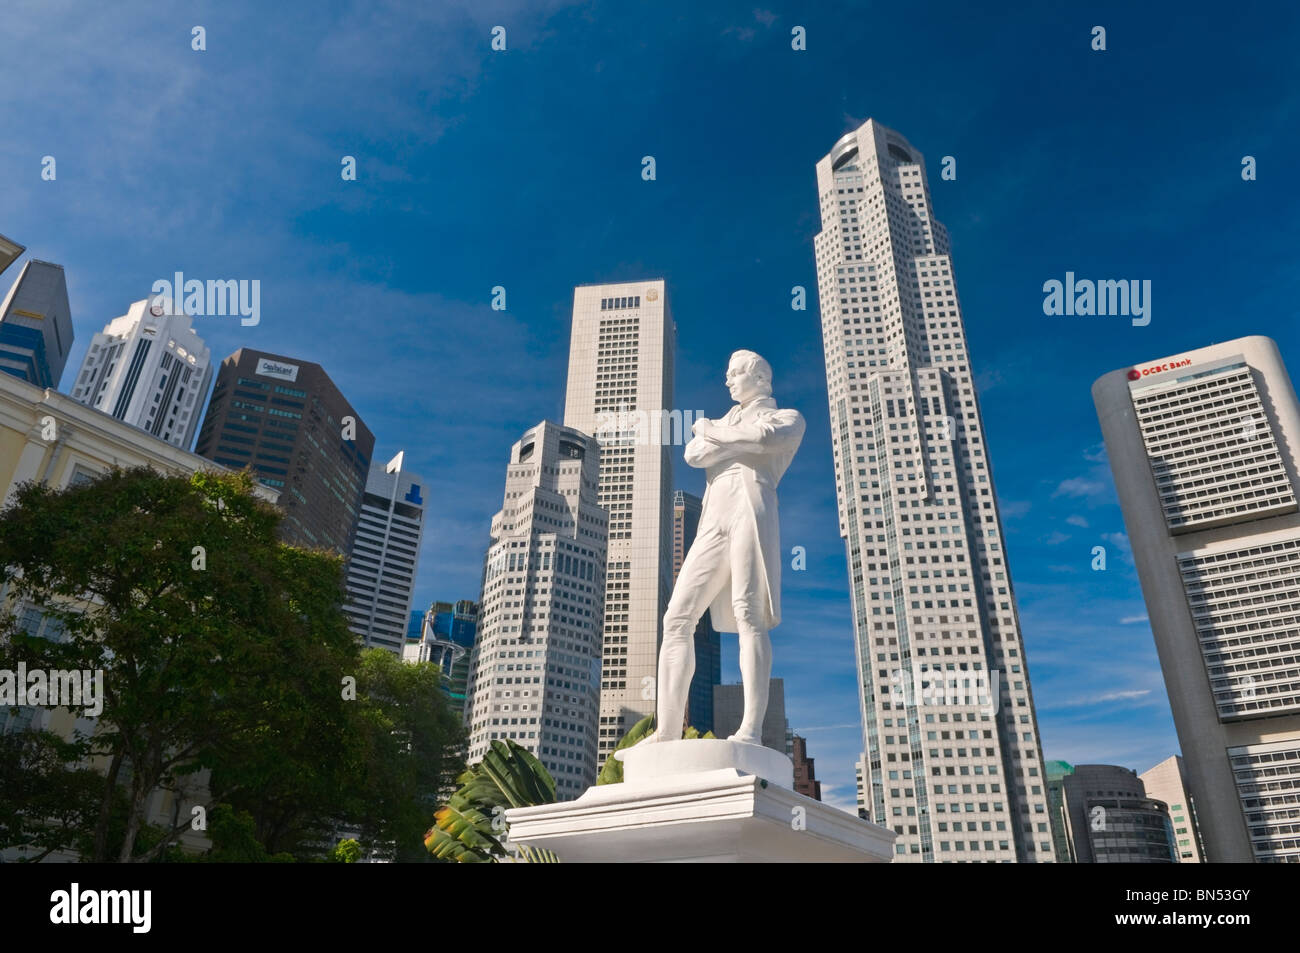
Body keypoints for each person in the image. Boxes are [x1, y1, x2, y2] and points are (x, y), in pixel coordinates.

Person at [641, 349, 804, 747]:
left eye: (733, 374)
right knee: (677, 618)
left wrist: (710, 430)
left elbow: (764, 437)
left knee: (750, 615)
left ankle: (750, 729)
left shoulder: (788, 417)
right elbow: (693, 455)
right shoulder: (729, 420)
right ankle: (666, 731)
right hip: (713, 518)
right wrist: (732, 438)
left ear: (760, 378)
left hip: (752, 508)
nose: (727, 381)